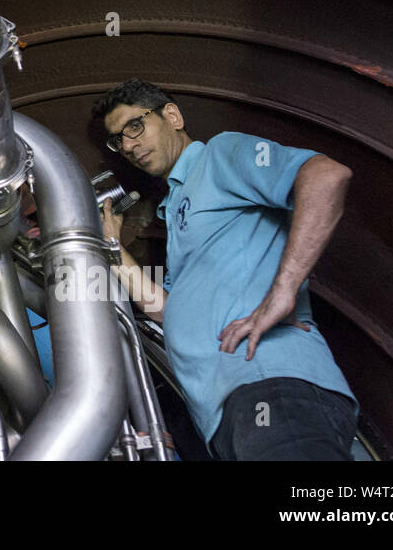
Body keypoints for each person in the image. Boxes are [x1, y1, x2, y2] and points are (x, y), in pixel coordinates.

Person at [92, 78, 360, 460]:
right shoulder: (177, 208)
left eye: (135, 126)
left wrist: (282, 293)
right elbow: (166, 310)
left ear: (172, 115)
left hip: (268, 383)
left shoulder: (219, 154)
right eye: (118, 139)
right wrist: (114, 248)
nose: (129, 146)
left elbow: (325, 176)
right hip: (223, 417)